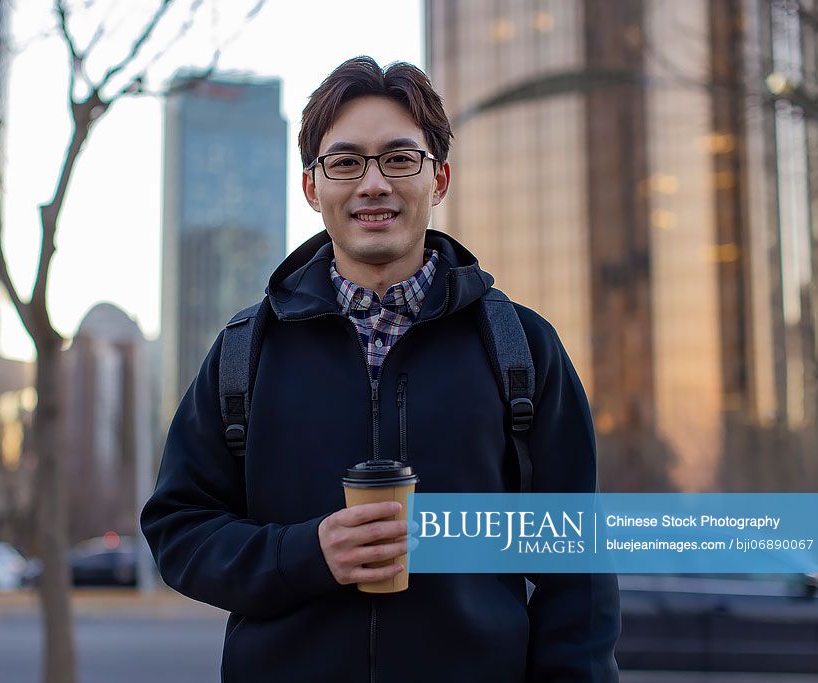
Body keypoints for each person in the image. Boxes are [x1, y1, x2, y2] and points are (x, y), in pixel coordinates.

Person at [141, 56, 620, 682]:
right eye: (345, 162)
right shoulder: (244, 352)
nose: (373, 184)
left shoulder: (521, 348)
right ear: (313, 187)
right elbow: (179, 529)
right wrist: (306, 553)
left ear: (439, 178)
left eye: (399, 159)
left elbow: (575, 565)